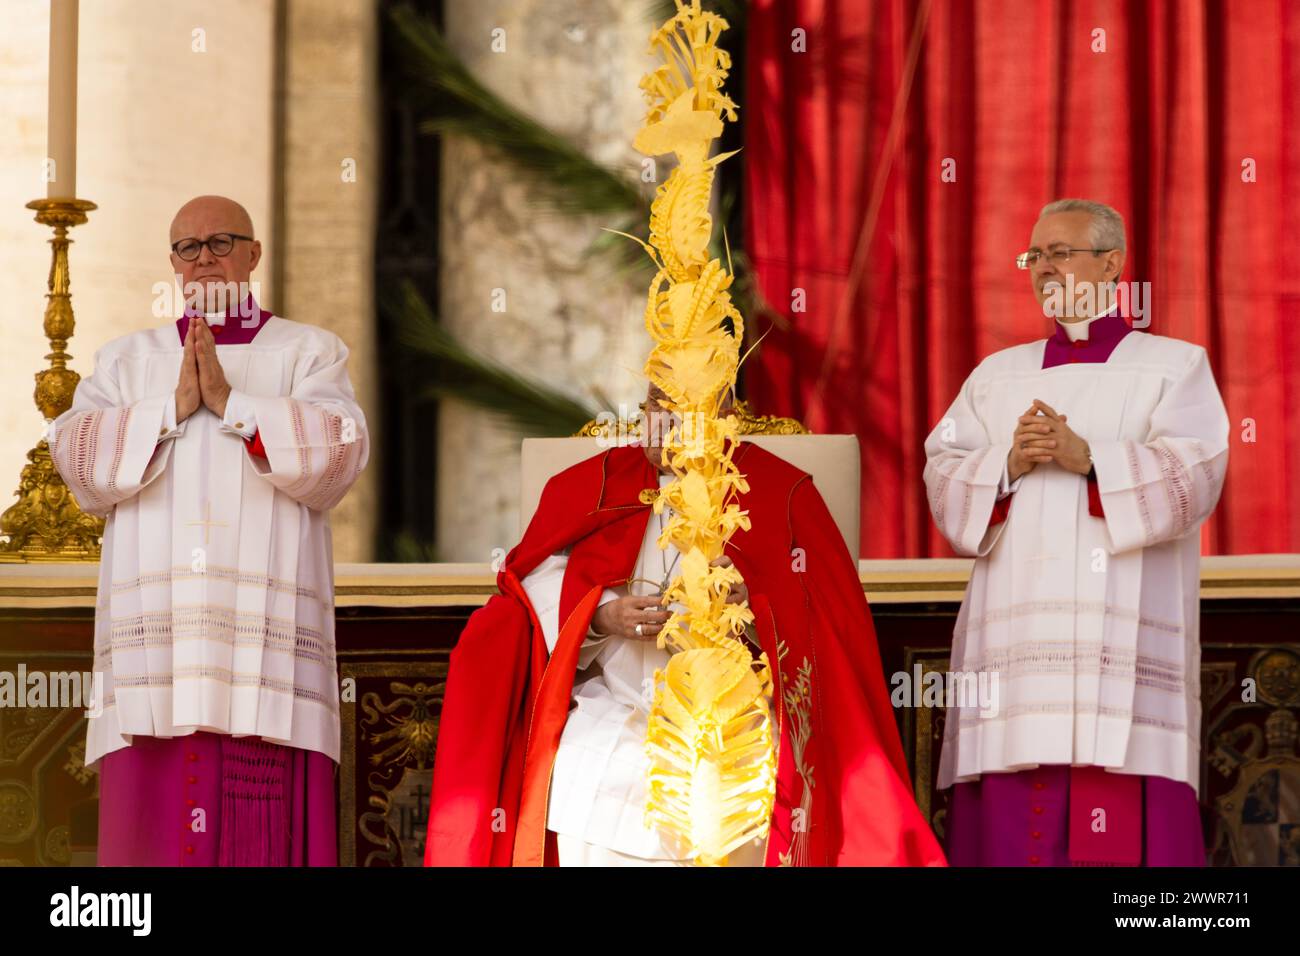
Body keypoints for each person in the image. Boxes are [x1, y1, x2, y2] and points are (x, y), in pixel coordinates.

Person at [425, 384, 946, 866]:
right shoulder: (593, 484)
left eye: (682, 407)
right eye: (655, 403)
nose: (661, 422)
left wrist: (750, 604)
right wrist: (601, 614)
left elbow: (827, 619)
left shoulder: (780, 493)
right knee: (596, 768)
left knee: (736, 785)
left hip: (740, 716)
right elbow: (525, 586)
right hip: (619, 704)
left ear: (724, 414)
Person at [50, 195, 369, 866]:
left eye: (221, 242)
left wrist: (234, 405)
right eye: (188, 248)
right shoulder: (125, 361)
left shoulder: (309, 352)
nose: (204, 259)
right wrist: (170, 408)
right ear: (172, 263)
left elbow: (340, 452)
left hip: (260, 640)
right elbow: (75, 456)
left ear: (254, 254)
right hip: (158, 644)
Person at [924, 198, 1228, 866]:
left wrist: (1087, 458)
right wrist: (1007, 462)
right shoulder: (995, 376)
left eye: (1060, 252)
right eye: (1035, 255)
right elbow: (943, 474)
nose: (1042, 268)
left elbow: (1195, 475)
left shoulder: (1174, 366)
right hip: (1017, 651)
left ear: (1112, 262)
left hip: (1114, 651)